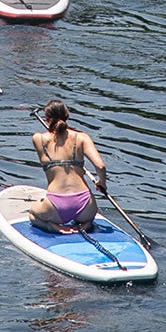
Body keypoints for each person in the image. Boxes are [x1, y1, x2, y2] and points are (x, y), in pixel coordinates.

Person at [28, 99, 105, 233]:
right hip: (86, 205)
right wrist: (102, 182)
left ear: (47, 119)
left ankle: (53, 227)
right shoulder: (82, 137)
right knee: (89, 215)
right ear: (67, 116)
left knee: (32, 215)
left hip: (55, 206)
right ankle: (86, 224)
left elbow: (56, 137)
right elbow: (101, 166)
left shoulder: (38, 138)